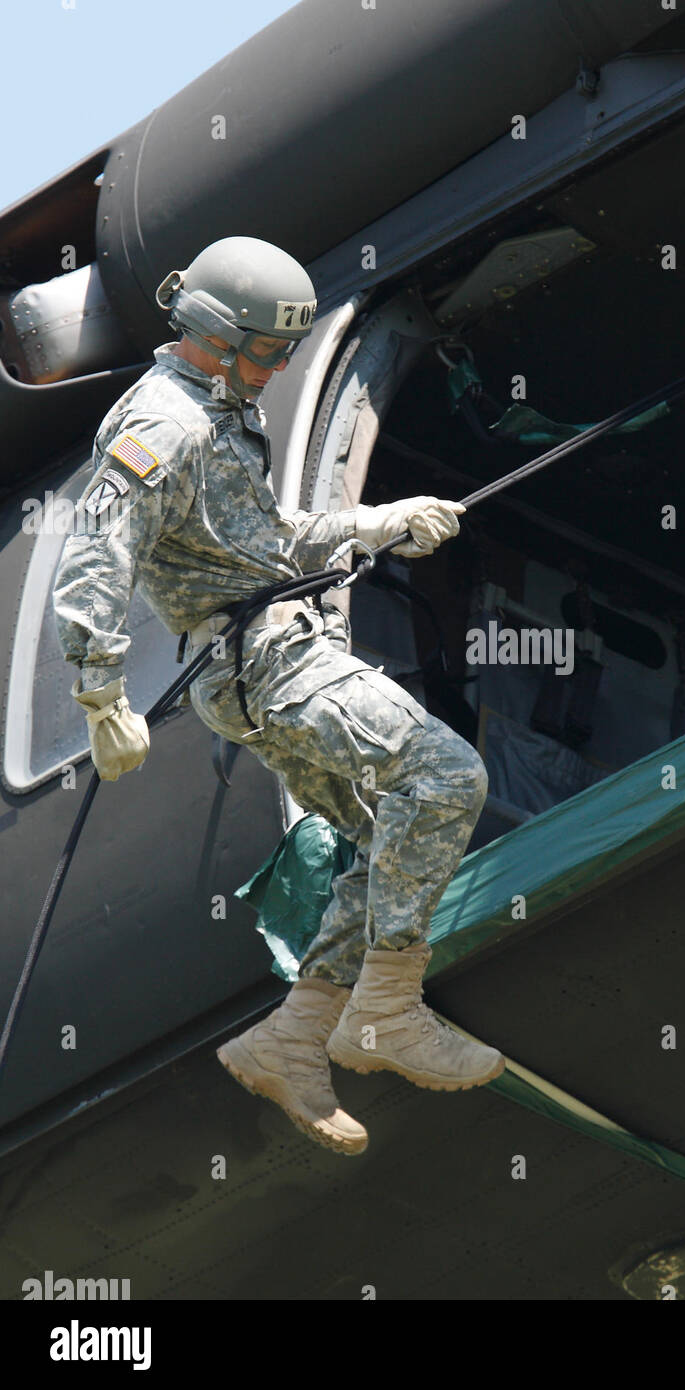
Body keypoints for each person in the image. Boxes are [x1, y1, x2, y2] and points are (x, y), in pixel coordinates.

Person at [52, 236, 502, 1158]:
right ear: (217, 337)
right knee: (447, 774)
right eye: (266, 353)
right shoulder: (164, 428)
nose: (274, 372)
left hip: (265, 655)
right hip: (267, 661)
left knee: (393, 831)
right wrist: (101, 700)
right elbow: (94, 556)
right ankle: (384, 1009)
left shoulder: (212, 413)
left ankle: (298, 1033)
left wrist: (374, 523)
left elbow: (260, 537)